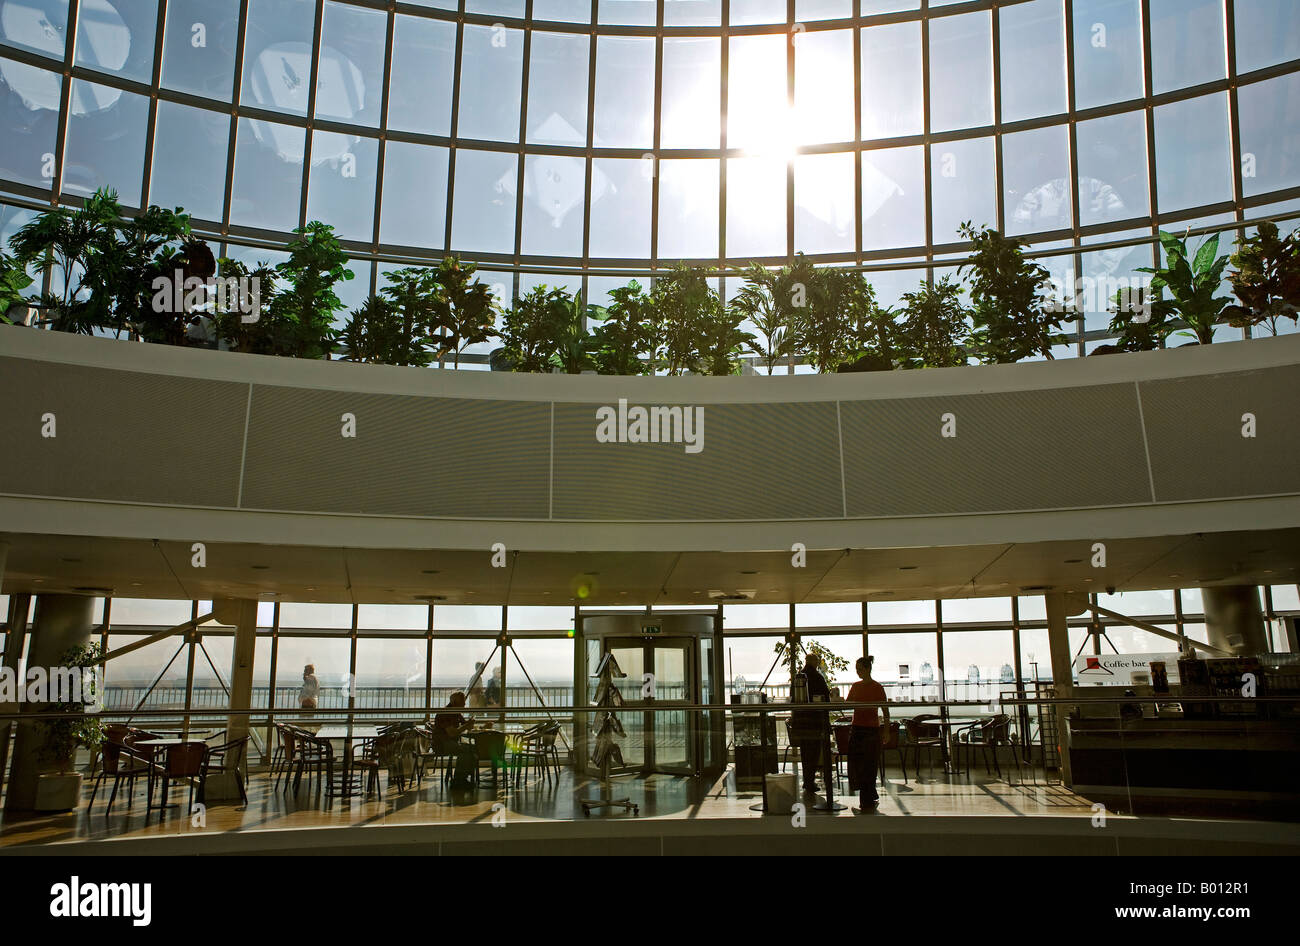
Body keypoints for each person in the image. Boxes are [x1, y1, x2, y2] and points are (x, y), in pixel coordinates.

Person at [847, 656, 889, 812]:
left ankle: (866, 801)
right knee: (866, 765)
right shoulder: (875, 687)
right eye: (857, 669)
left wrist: (885, 731)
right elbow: (885, 711)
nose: (857, 672)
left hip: (864, 729)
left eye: (859, 669)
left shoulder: (866, 687)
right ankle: (869, 795)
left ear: (867, 669)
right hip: (865, 729)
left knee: (865, 765)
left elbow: (885, 711)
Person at [791, 652, 833, 794]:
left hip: (801, 722)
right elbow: (826, 699)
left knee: (805, 752)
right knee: (814, 751)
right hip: (815, 721)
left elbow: (793, 699)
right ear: (814, 662)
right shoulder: (817, 677)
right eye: (817, 661)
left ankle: (807, 781)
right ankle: (810, 782)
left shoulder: (798, 677)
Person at [432, 692, 478, 788]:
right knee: (466, 751)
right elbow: (452, 733)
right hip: (441, 744)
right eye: (462, 703)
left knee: (472, 749)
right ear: (455, 703)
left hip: (451, 742)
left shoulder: (456, 712)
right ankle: (459, 779)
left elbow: (467, 727)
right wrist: (467, 725)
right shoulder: (444, 713)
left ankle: (461, 777)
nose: (464, 706)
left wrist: (472, 725)